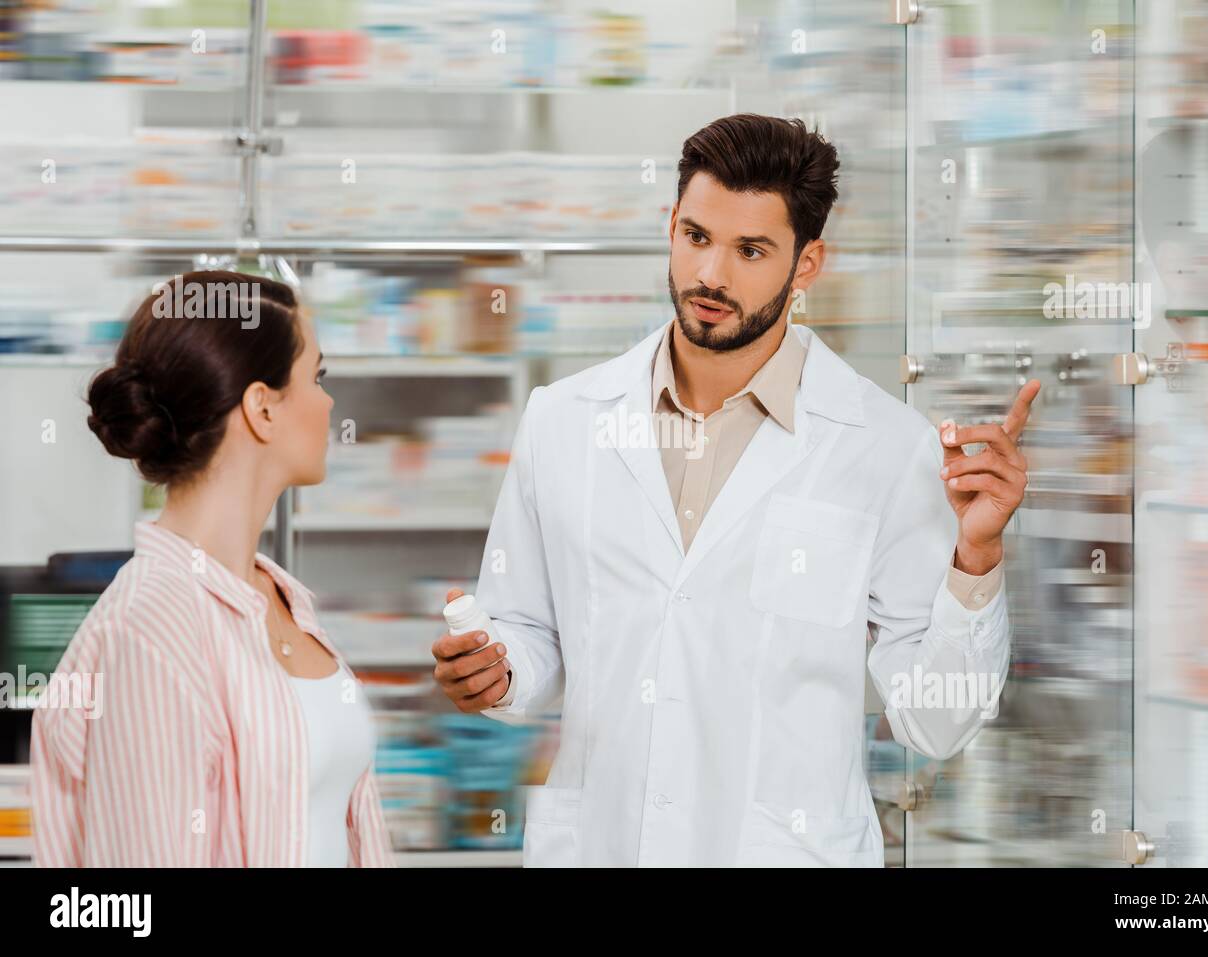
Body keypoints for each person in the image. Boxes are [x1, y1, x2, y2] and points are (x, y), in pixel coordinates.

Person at [433, 114, 1040, 867]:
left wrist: (976, 558)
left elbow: (936, 722)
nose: (711, 275)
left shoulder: (883, 446)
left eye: (751, 250)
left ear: (807, 263)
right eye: (696, 237)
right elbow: (533, 634)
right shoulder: (564, 420)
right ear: (672, 224)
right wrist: (498, 671)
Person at [30, 270, 394, 867]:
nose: (330, 403)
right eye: (317, 377)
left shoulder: (280, 597)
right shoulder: (152, 628)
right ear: (262, 408)